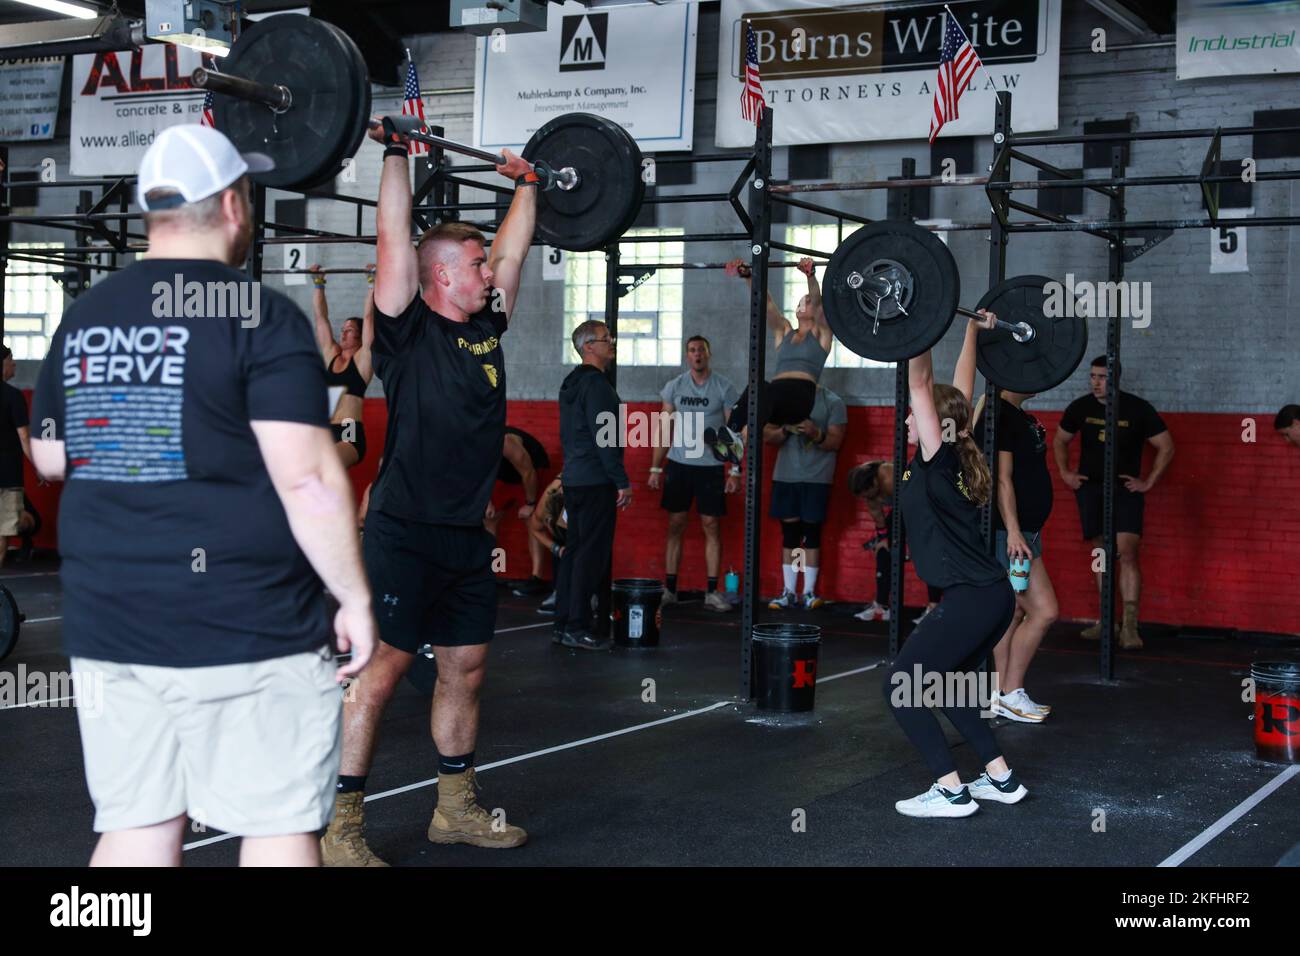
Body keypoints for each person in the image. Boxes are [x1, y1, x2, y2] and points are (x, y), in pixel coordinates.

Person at [28, 124, 375, 866]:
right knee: (277, 825)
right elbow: (309, 476)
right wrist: (354, 599)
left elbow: (53, 458)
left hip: (111, 622)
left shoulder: (86, 315)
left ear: (155, 215)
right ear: (231, 206)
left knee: (138, 827)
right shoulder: (259, 314)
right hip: (247, 620)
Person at [318, 120, 536, 866]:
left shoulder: (488, 327)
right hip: (405, 530)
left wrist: (527, 183)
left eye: (486, 264)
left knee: (466, 668)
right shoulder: (408, 331)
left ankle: (455, 809)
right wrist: (395, 155)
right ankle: (342, 826)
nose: (489, 273)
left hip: (466, 539)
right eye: (475, 265)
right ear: (442, 275)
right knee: (381, 676)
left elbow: (514, 248)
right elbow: (391, 237)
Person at [883, 309, 1028, 818]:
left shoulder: (936, 456)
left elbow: (923, 380)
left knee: (901, 684)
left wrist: (911, 318)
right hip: (991, 596)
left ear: (934, 425)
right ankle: (1000, 779)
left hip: (971, 596)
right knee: (951, 689)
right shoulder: (955, 452)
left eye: (914, 413)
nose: (906, 416)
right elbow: (956, 393)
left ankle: (950, 790)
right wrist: (968, 331)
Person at [1054, 356, 1174, 650]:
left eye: (1102, 377)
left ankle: (1130, 626)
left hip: (1124, 490)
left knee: (1127, 553)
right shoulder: (1080, 407)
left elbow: (1166, 446)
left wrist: (1148, 482)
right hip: (1092, 489)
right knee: (1101, 554)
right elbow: (1059, 440)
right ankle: (1107, 622)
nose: (1096, 382)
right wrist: (1065, 473)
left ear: (1115, 379)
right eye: (1093, 376)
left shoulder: (1137, 408)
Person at [972, 387, 1058, 723]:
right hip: (1009, 537)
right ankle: (1010, 692)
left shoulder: (1017, 416)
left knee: (1013, 614)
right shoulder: (999, 416)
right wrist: (1012, 531)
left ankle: (1000, 695)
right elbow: (1001, 481)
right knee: (1045, 611)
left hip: (1023, 535)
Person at [648, 335, 741, 612]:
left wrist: (734, 469)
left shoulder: (723, 387)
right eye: (692, 350)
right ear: (687, 356)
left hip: (711, 467)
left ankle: (712, 591)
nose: (697, 354)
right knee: (676, 525)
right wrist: (655, 467)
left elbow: (732, 430)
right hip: (679, 465)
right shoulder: (675, 386)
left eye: (701, 350)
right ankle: (670, 589)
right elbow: (664, 427)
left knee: (711, 526)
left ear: (708, 354)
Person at [556, 320, 631, 650]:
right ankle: (577, 626)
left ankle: (564, 624)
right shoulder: (598, 386)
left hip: (574, 481)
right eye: (605, 339)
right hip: (596, 481)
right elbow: (607, 439)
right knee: (591, 556)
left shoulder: (570, 382)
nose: (611, 342)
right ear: (588, 347)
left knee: (575, 553)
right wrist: (621, 481)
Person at [719, 257, 833, 456]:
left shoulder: (821, 333)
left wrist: (810, 276)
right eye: (801, 301)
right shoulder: (785, 331)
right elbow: (767, 304)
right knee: (755, 387)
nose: (804, 302)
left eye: (808, 301)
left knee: (763, 389)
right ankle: (731, 436)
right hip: (776, 401)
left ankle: (743, 436)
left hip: (799, 399)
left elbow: (817, 299)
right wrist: (748, 276)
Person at [764, 385, 847, 610]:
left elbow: (835, 442)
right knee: (790, 534)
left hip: (817, 478)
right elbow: (766, 435)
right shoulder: (783, 400)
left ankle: (808, 592)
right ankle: (789, 592)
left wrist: (815, 433)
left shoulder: (833, 401)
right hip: (786, 476)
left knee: (811, 534)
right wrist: (785, 430)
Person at [847, 460, 942, 624]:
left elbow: (914, 505)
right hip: (902, 510)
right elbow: (879, 520)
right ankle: (881, 606)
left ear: (875, 482)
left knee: (928, 552)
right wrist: (884, 539)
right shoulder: (869, 493)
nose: (869, 498)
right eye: (865, 496)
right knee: (882, 550)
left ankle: (934, 607)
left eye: (869, 493)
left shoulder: (888, 476)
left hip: (926, 506)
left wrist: (910, 540)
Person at [307, 263, 376, 467]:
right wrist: (319, 284)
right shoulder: (331, 355)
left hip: (349, 429)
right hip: (326, 429)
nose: (344, 332)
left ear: (361, 336)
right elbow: (321, 319)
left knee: (324, 466)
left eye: (350, 329)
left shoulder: (363, 359)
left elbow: (370, 317)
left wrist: (372, 283)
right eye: (343, 329)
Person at [484, 425, 551, 596]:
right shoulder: (469, 444)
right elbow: (474, 474)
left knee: (533, 520)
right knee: (489, 518)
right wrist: (487, 501)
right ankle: (493, 572)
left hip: (531, 471)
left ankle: (537, 578)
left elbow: (528, 473)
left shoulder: (505, 441)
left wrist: (530, 503)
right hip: (504, 474)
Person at [1, 345, 36, 569]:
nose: (14, 364)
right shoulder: (13, 396)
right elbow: (24, 436)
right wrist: (41, 466)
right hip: (6, 478)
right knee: (2, 533)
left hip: (7, 478)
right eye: (10, 360)